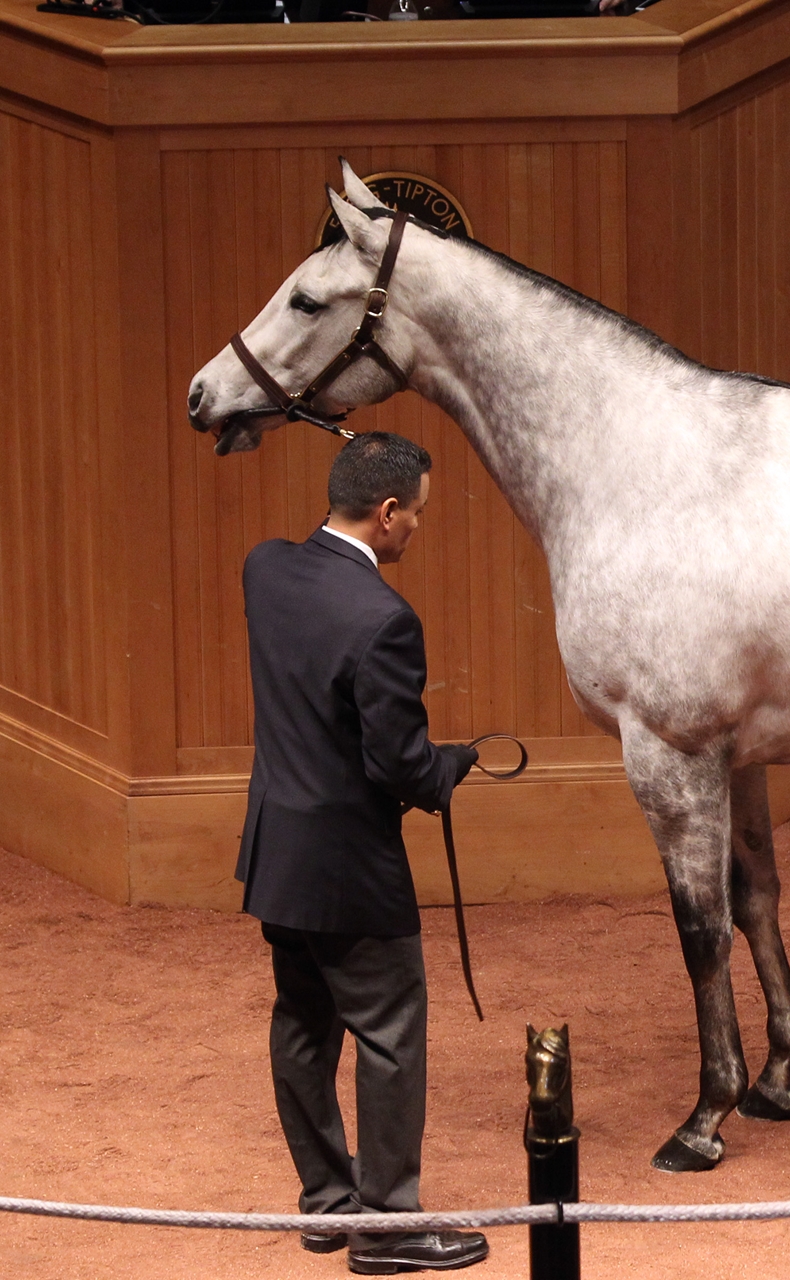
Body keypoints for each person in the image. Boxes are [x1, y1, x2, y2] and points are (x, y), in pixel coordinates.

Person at [237, 431, 487, 1274]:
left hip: (279, 857)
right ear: (386, 514)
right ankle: (388, 1229)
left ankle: (326, 1204)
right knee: (388, 1034)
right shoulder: (384, 620)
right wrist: (453, 765)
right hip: (352, 870)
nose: (417, 526)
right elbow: (399, 767)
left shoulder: (264, 570)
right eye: (415, 512)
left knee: (304, 1024)